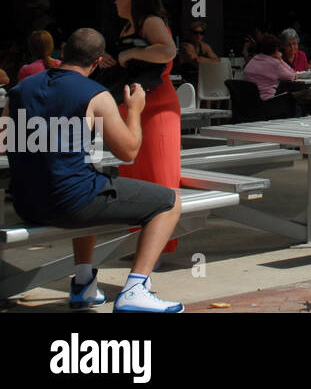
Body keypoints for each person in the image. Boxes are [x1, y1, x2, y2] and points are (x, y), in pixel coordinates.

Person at [3, 28, 184, 312]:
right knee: (170, 202)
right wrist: (134, 110)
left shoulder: (19, 90)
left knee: (90, 178)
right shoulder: (95, 95)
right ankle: (135, 289)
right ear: (98, 62)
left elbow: (3, 142)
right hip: (71, 203)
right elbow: (129, 152)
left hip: (25, 202)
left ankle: (84, 283)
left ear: (62, 52)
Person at [96, 0, 181, 251]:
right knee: (134, 175)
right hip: (136, 105)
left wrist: (130, 53)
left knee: (157, 174)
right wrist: (113, 59)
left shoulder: (151, 21)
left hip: (156, 108)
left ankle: (158, 246)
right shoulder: (131, 25)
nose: (116, 0)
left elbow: (168, 51)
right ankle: (141, 245)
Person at [243, 34, 299, 100]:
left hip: (249, 105)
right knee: (296, 97)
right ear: (275, 49)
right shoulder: (275, 64)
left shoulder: (253, 59)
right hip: (268, 104)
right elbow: (292, 76)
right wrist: (280, 60)